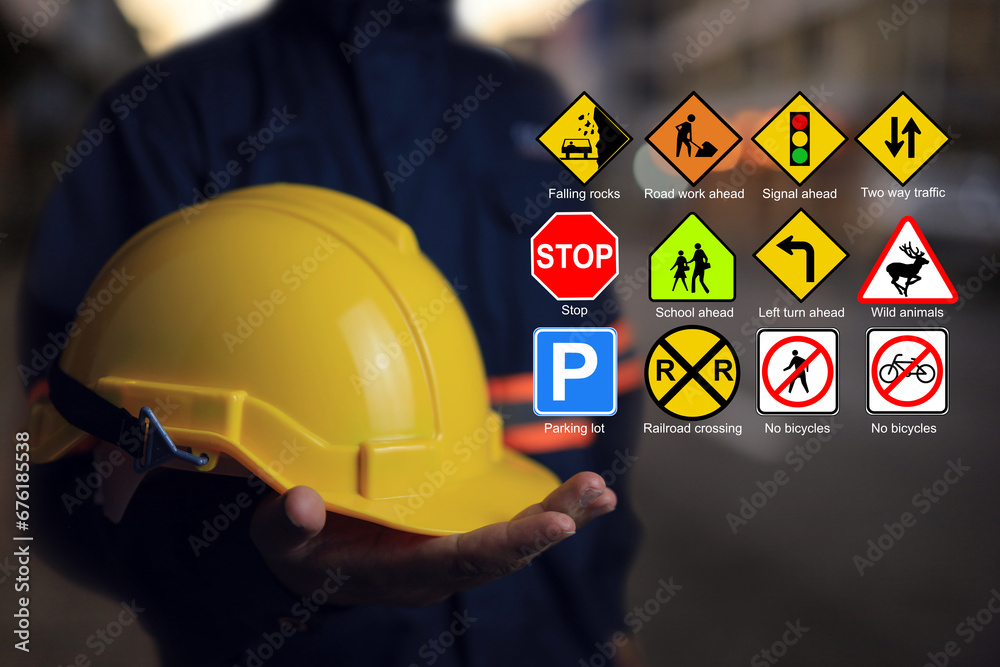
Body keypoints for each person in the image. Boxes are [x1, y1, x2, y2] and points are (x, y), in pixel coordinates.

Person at [17, 0, 643, 665]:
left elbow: (604, 373)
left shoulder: (539, 106)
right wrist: (262, 570)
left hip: (553, 642)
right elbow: (65, 466)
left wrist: (606, 618)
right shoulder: (165, 114)